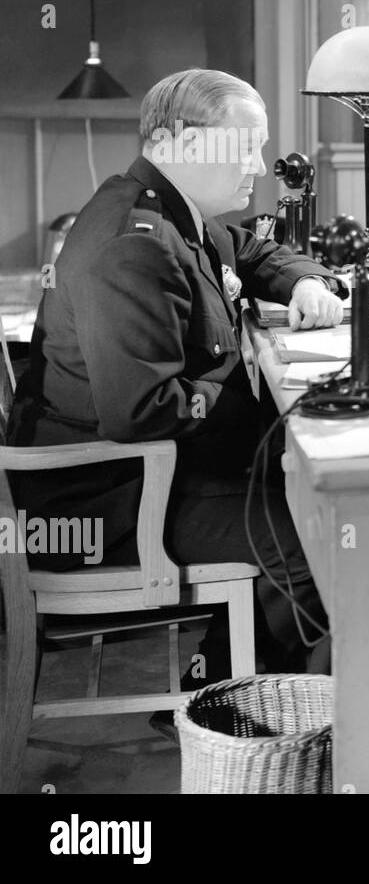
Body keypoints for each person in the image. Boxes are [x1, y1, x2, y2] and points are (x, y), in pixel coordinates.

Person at [7, 68, 346, 688]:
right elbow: (143, 412)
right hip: (108, 500)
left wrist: (304, 280)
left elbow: (247, 249)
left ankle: (210, 689)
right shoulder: (134, 242)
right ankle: (283, 727)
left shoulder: (175, 210)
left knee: (311, 494)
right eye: (247, 146)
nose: (261, 164)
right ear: (188, 144)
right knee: (316, 542)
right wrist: (269, 407)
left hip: (146, 472)